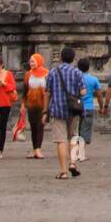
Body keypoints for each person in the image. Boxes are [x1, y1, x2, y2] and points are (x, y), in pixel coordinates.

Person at [44, 45, 85, 180]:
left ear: (61, 58)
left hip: (57, 109)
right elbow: (83, 92)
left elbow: (48, 93)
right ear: (73, 59)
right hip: (73, 110)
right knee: (72, 136)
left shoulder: (53, 72)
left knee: (61, 140)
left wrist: (45, 111)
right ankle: (72, 163)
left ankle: (63, 171)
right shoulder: (77, 73)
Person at [21, 53, 49, 159]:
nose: (31, 63)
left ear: (39, 61)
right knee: (33, 127)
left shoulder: (47, 74)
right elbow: (24, 91)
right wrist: (23, 104)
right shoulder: (28, 74)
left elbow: (49, 90)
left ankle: (38, 149)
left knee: (40, 126)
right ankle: (34, 149)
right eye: (30, 61)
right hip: (31, 105)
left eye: (33, 61)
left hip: (43, 105)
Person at [75, 58, 101, 163]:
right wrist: (102, 106)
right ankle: (81, 154)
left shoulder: (75, 78)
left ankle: (74, 152)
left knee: (76, 130)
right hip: (88, 107)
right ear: (88, 67)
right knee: (85, 131)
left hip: (75, 106)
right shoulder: (93, 79)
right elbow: (99, 95)